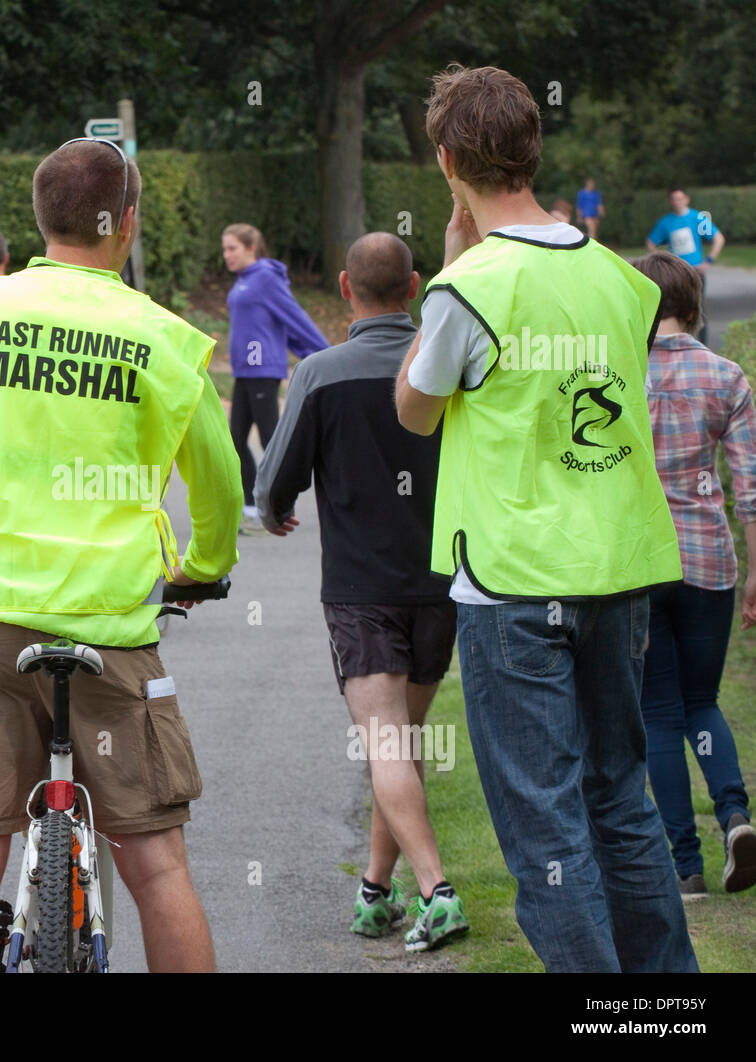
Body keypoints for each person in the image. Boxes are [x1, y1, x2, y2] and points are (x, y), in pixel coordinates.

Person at [0, 137, 242, 973]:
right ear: (129, 224)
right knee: (157, 866)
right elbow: (219, 486)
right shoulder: (163, 339)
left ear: (38, 221)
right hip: (109, 628)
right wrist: (203, 568)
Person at [395, 64, 696, 973]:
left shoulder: (470, 284)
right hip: (616, 568)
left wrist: (449, 266)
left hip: (513, 580)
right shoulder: (622, 280)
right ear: (535, 147)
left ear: (448, 162)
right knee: (623, 801)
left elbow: (413, 407)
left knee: (545, 829)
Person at [256, 231, 468, 951]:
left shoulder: (321, 374)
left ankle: (436, 891)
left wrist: (276, 509)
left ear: (346, 288)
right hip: (441, 582)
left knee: (384, 745)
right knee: (399, 746)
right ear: (413, 289)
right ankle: (376, 893)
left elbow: (272, 485)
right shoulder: (444, 366)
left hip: (360, 588)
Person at [631, 251, 756, 898]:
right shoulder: (726, 375)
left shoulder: (614, 375)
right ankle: (734, 815)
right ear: (692, 302)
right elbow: (751, 488)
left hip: (640, 562)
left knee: (657, 711)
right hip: (709, 558)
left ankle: (686, 866)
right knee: (701, 702)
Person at [221, 222, 328, 533]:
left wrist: (326, 355)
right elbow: (273, 327)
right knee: (236, 441)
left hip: (263, 370)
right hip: (244, 372)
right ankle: (254, 507)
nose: (226, 255)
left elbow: (294, 318)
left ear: (251, 248)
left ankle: (280, 506)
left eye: (232, 249)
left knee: (272, 441)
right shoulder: (244, 280)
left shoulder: (266, 278)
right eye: (224, 249)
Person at [646, 187, 725, 346]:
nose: (677, 202)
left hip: (695, 271)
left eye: (680, 199)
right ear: (670, 201)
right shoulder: (666, 222)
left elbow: (718, 238)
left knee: (698, 310)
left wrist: (709, 260)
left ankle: (703, 346)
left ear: (686, 199)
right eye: (674, 199)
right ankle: (680, 344)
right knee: (676, 309)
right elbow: (651, 242)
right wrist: (662, 263)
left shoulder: (696, 218)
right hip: (676, 273)